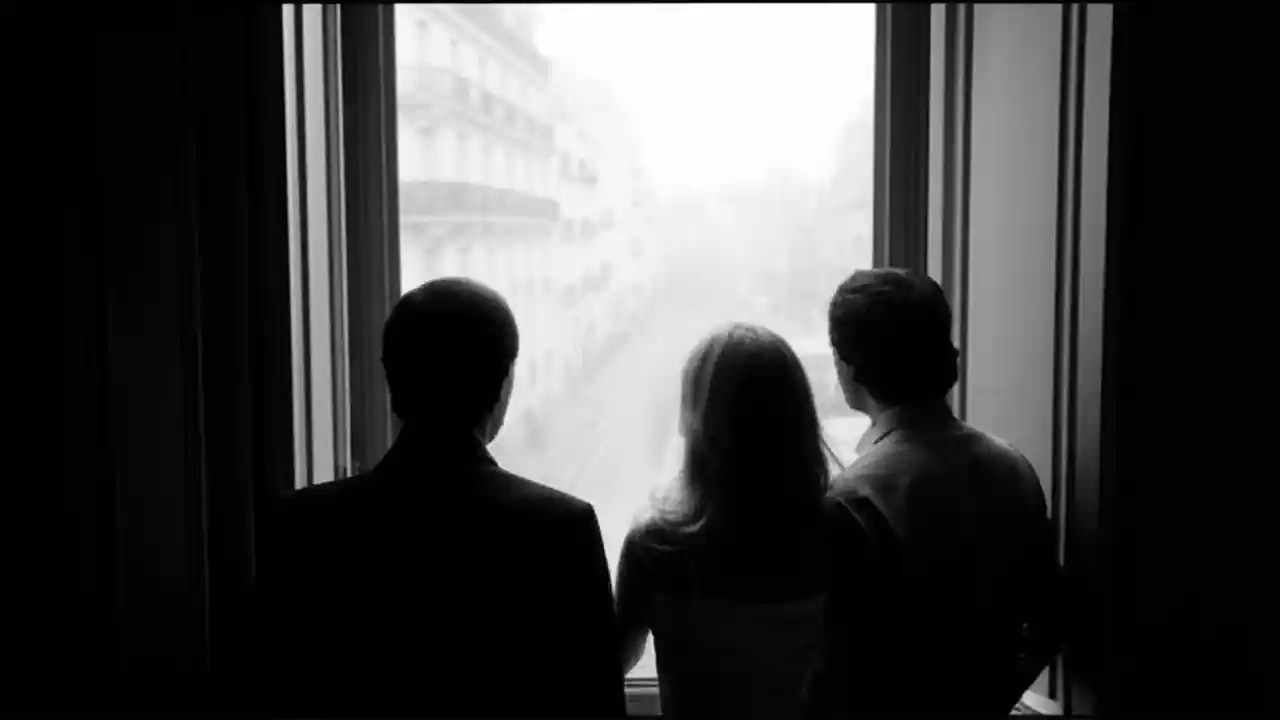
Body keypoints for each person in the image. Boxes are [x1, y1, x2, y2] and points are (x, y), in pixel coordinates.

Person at [259, 278, 626, 718]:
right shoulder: (563, 528)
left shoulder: (301, 525)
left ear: (392, 384)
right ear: (503, 385)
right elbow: (596, 704)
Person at [811, 268, 1064, 716]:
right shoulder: (1013, 468)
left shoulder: (853, 501)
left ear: (848, 367)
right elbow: (1048, 622)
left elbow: (837, 673)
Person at [614, 322, 852, 719]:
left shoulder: (655, 548)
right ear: (801, 420)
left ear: (695, 422)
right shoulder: (838, 534)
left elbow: (613, 661)